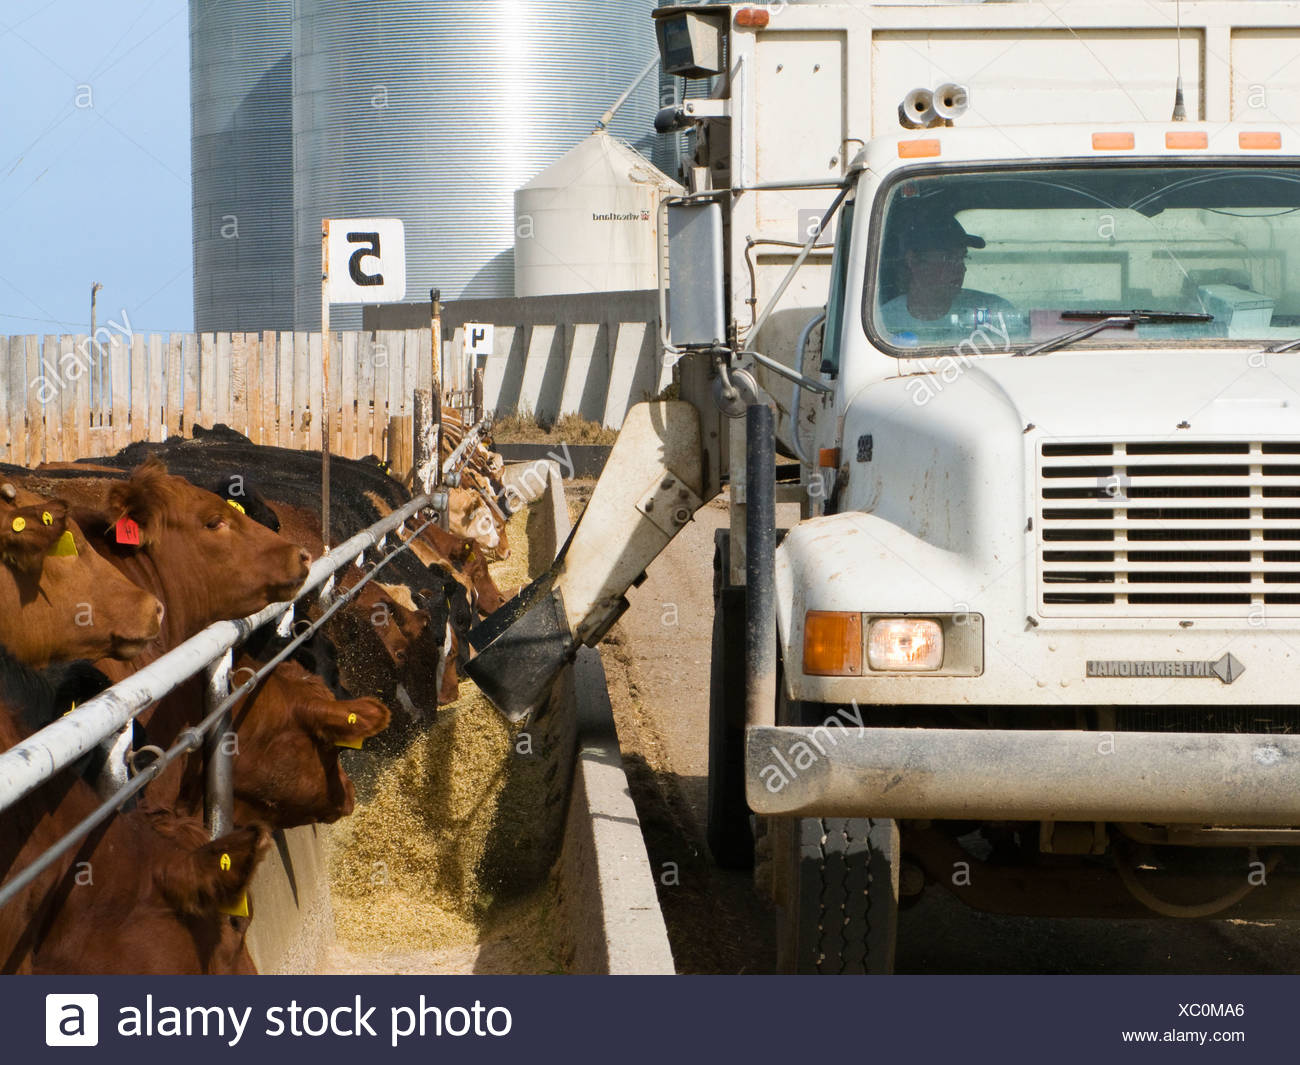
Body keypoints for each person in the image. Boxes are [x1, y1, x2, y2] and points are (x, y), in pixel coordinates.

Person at [879, 213, 1017, 344]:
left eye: (962, 257)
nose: (961, 268)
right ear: (913, 261)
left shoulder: (994, 311)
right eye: (948, 258)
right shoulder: (882, 323)